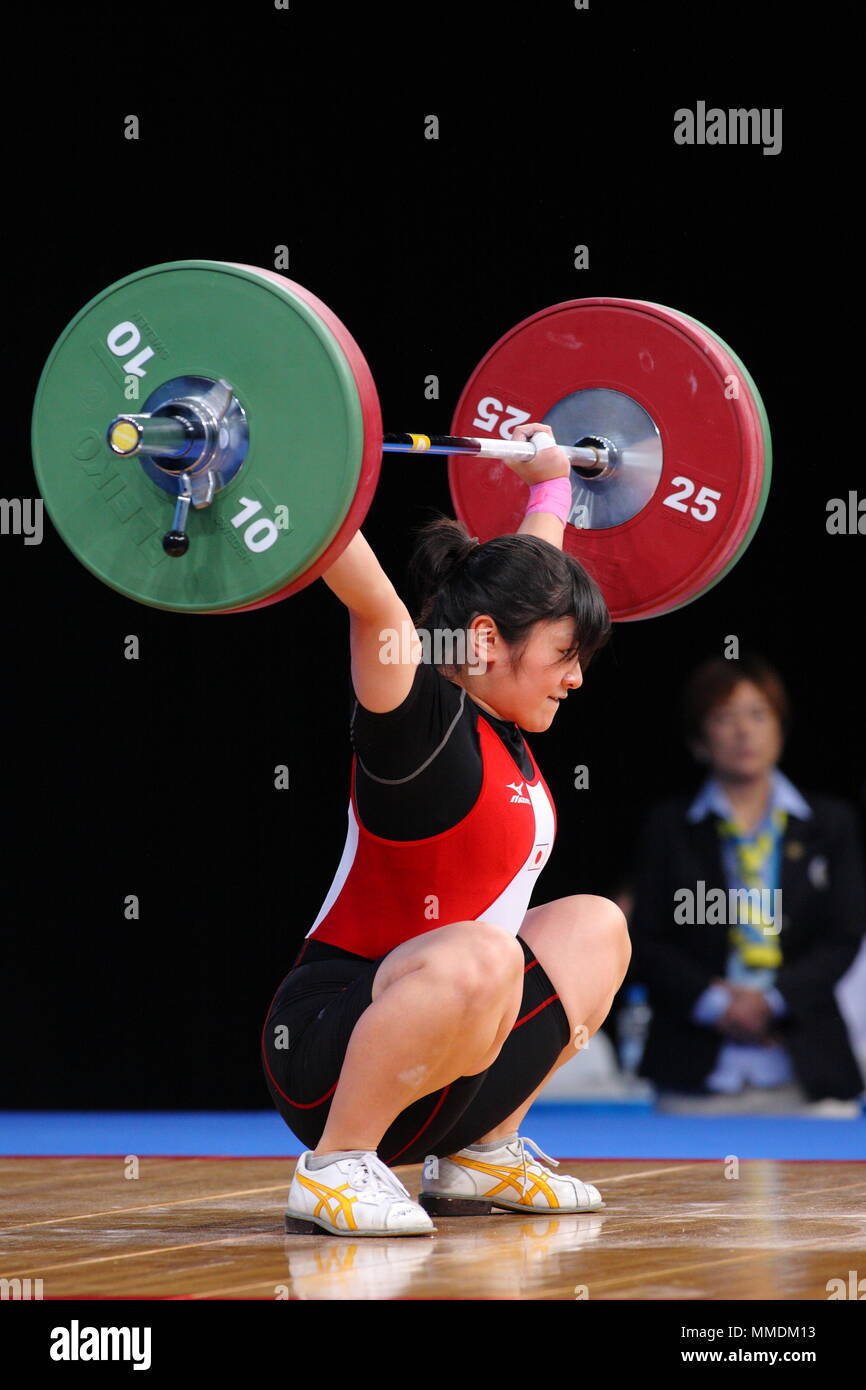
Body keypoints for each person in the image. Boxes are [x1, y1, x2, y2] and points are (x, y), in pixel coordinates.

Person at [261, 423, 631, 1236]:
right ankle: (334, 1167)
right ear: (489, 643)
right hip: (328, 1052)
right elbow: (371, 598)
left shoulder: (506, 727)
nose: (575, 678)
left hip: (451, 1064)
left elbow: (531, 587)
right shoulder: (419, 723)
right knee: (485, 951)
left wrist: (550, 487)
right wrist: (290, 478)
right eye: (568, 654)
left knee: (596, 926)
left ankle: (481, 1158)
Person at [629, 655, 866, 1114]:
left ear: (780, 726)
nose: (743, 731)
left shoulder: (828, 824)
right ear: (699, 739)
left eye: (758, 713)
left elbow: (844, 936)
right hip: (693, 1075)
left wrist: (774, 1001)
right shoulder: (669, 827)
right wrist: (719, 1003)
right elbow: (645, 940)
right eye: (724, 716)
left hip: (808, 1073)